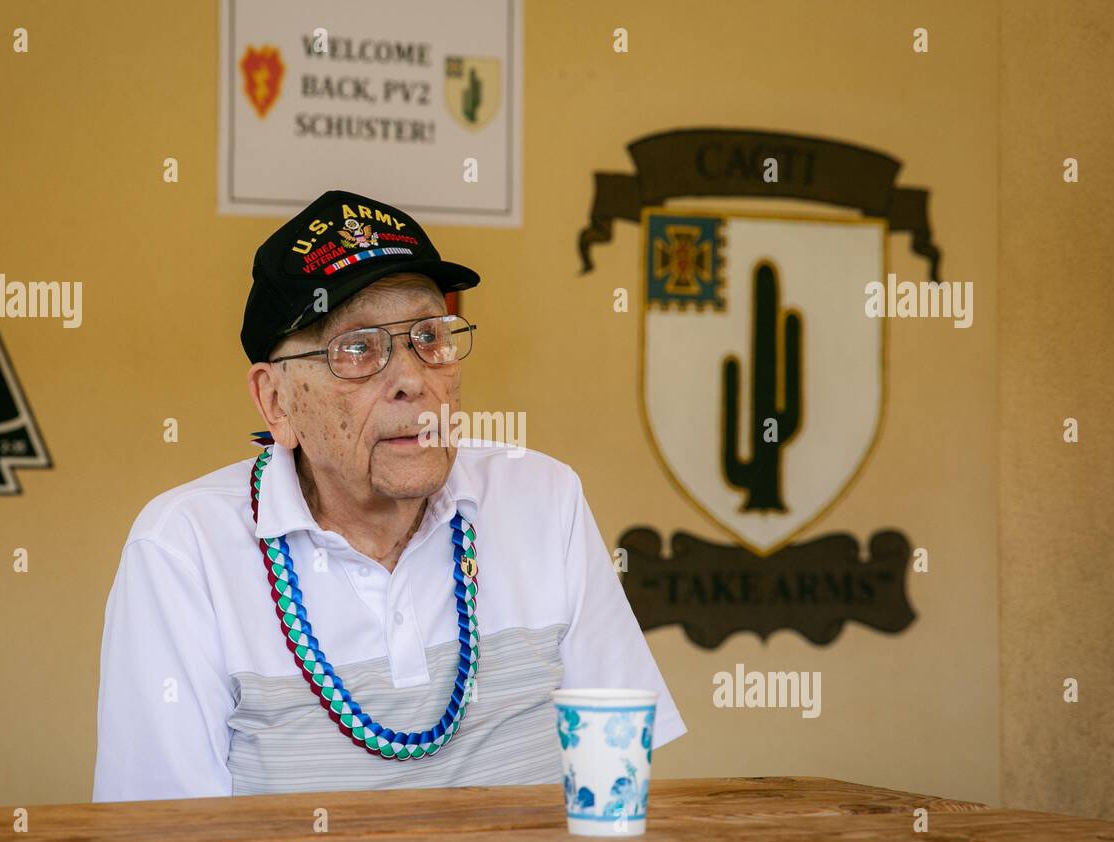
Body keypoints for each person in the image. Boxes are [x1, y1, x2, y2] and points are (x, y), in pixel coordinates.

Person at [92, 188, 686, 801]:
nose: (411, 379)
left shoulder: (544, 499)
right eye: (358, 348)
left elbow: (613, 784)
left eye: (429, 336)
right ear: (276, 402)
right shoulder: (183, 552)